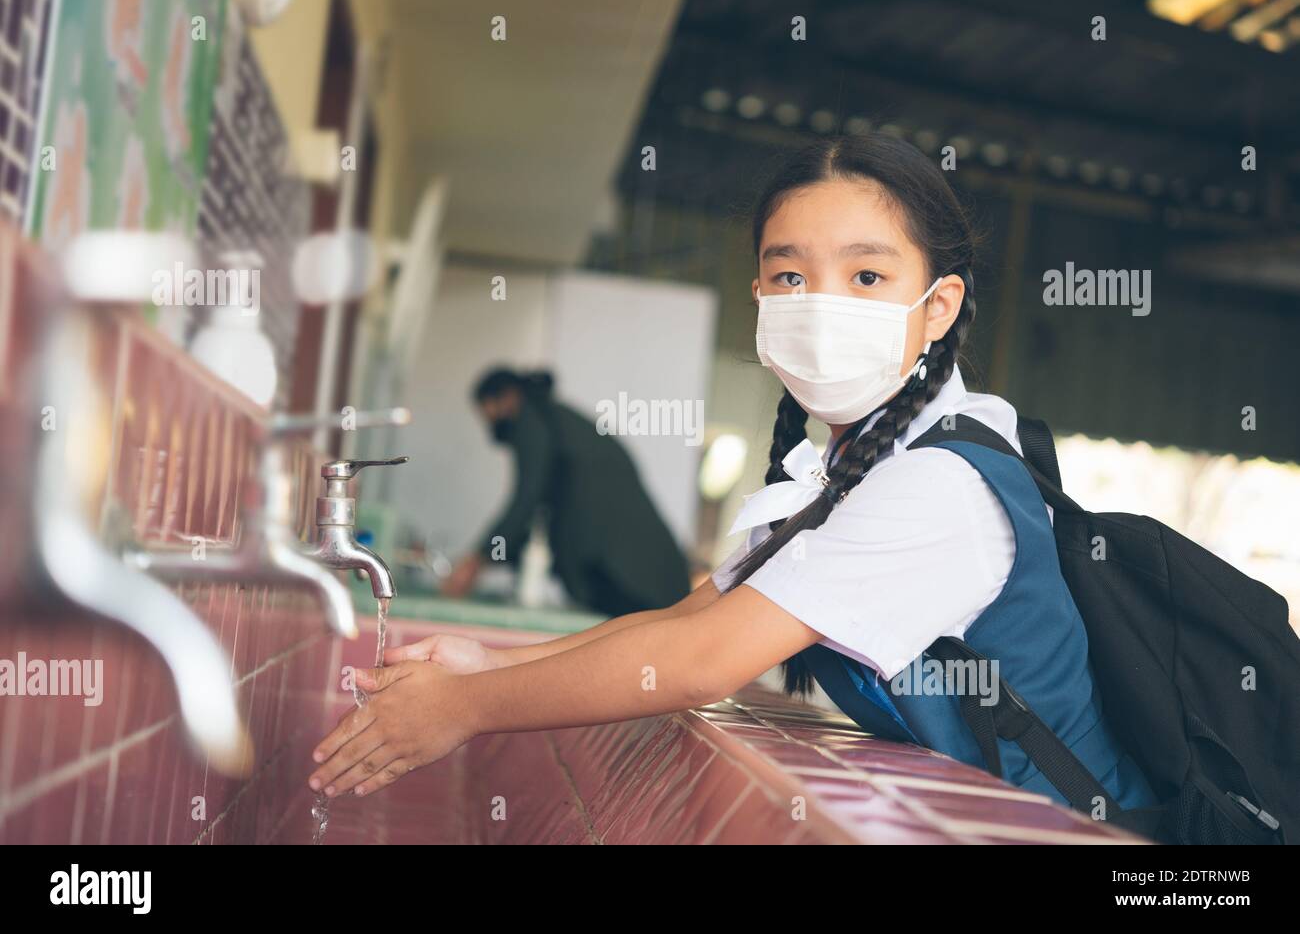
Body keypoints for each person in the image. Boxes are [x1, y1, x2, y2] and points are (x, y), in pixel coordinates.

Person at [309, 134, 1158, 817]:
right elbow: (688, 616)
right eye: (791, 275)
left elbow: (701, 660)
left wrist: (464, 707)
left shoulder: (938, 484)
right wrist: (484, 663)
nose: (822, 303)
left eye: (867, 275)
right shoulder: (840, 472)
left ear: (937, 306)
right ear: (760, 294)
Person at [441, 368, 691, 617]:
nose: (488, 422)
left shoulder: (531, 421)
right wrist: (492, 555)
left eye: (488, 411)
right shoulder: (554, 419)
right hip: (638, 571)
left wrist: (478, 560)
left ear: (508, 397)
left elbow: (525, 501)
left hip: (623, 573)